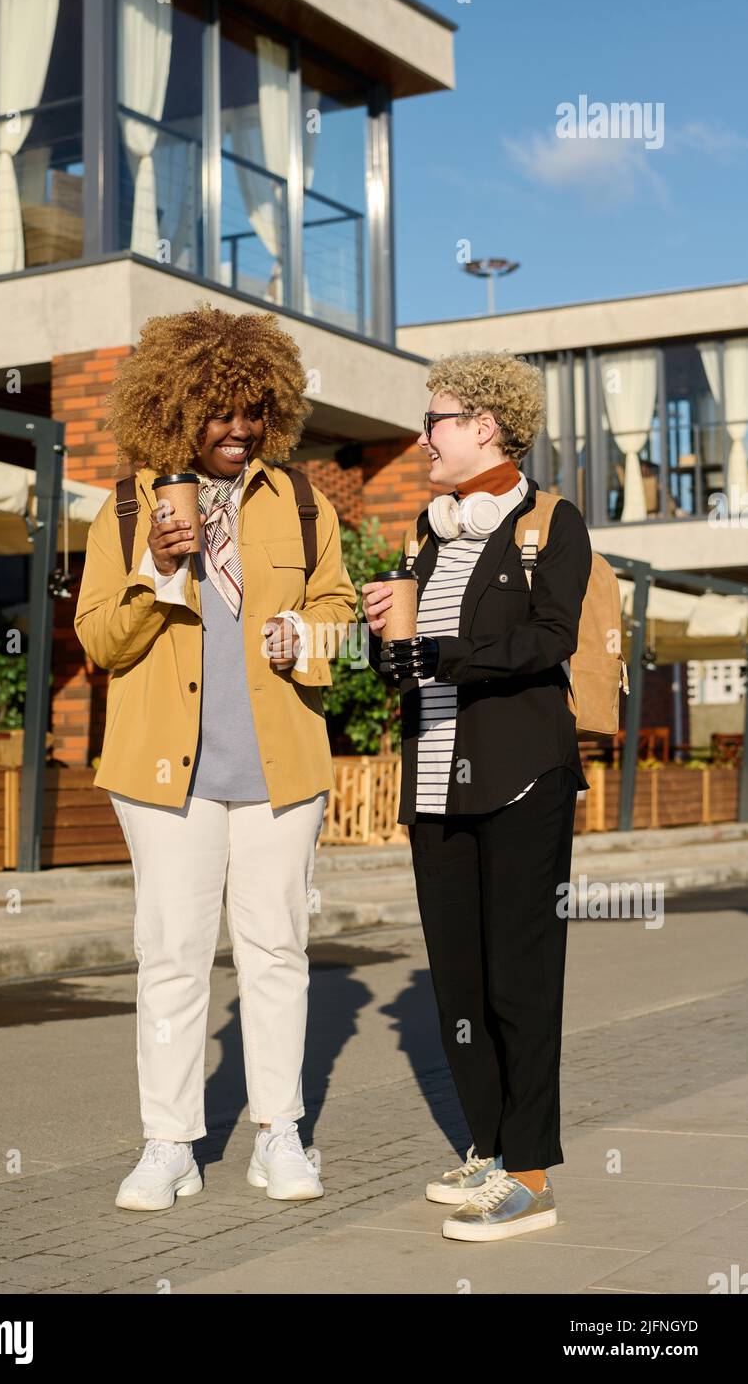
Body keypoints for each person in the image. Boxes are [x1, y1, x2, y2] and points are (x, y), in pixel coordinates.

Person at [74, 305, 357, 1210]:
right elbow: (98, 644)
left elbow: (342, 620)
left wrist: (303, 637)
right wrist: (155, 574)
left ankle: (280, 1132)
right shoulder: (125, 510)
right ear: (175, 410)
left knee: (276, 950)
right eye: (219, 413)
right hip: (163, 774)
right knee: (171, 955)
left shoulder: (307, 505)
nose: (240, 431)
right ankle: (169, 1145)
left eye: (254, 413)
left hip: (282, 770)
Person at [362, 350, 592, 1242]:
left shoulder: (550, 523)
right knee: (458, 983)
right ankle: (490, 1151)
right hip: (434, 783)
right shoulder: (431, 529)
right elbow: (402, 665)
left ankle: (531, 1174)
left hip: (520, 779)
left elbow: (547, 641)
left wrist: (439, 650)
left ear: (485, 426)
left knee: (519, 979)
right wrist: (388, 637)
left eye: (436, 421)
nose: (424, 438)